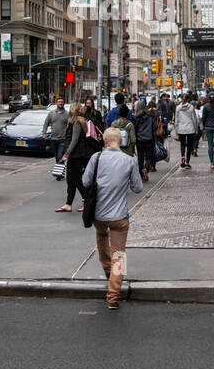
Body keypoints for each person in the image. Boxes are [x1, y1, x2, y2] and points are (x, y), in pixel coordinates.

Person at [82, 127, 144, 310]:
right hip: (119, 217)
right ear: (121, 142)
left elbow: (86, 182)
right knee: (119, 255)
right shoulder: (129, 160)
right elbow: (138, 188)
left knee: (101, 238)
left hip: (98, 215)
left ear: (105, 141)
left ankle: (107, 270)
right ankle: (113, 296)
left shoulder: (96, 158)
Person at [56, 104, 99, 212]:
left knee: (77, 180)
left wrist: (66, 154)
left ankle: (87, 201)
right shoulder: (76, 121)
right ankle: (68, 204)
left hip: (76, 155)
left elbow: (74, 140)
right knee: (70, 180)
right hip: (76, 155)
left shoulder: (76, 123)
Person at [173, 93, 201, 170]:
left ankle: (182, 157)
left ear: (181, 99)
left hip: (181, 128)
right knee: (189, 145)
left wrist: (176, 130)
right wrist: (196, 129)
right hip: (190, 128)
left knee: (182, 144)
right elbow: (194, 119)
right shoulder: (191, 107)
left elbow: (176, 120)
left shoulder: (178, 108)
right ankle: (187, 162)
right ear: (188, 99)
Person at [42, 96, 70, 170]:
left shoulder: (67, 114)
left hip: (63, 139)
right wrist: (44, 133)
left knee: (60, 156)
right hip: (53, 139)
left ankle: (59, 173)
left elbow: (70, 126)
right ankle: (61, 170)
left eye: (62, 102)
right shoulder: (51, 113)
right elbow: (46, 124)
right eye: (59, 102)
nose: (60, 103)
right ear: (56, 103)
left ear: (64, 103)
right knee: (57, 157)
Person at [133, 101, 156, 182]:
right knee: (148, 157)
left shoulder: (135, 118)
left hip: (139, 140)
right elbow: (154, 127)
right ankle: (146, 169)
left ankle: (141, 174)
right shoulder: (150, 116)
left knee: (140, 157)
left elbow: (135, 129)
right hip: (149, 139)